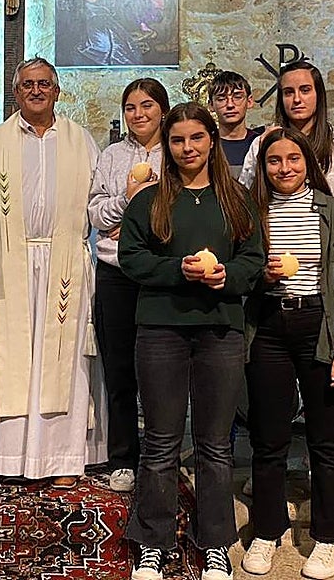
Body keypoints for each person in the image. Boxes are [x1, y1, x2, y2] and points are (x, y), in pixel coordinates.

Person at [118, 103, 265, 580]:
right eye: (178, 140)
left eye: (196, 139)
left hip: (219, 329)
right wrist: (175, 271)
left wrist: (229, 277)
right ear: (168, 145)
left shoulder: (237, 199)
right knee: (160, 441)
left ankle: (215, 541)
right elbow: (131, 258)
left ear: (211, 141)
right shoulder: (149, 200)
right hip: (161, 329)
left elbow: (253, 258)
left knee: (214, 444)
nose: (187, 148)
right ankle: (152, 543)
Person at [241, 128, 334, 580]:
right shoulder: (253, 213)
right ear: (264, 167)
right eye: (275, 161)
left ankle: (330, 538)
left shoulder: (331, 212)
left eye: (294, 159)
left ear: (309, 163)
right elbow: (240, 276)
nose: (285, 168)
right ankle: (267, 530)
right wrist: (261, 277)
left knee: (326, 440)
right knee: (268, 438)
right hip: (269, 326)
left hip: (320, 326)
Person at [0, 58, 107, 484]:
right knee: (13, 357)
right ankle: (12, 457)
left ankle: (61, 460)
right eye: (27, 85)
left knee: (66, 363)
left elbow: (98, 201)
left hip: (66, 265)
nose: (35, 91)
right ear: (15, 93)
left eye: (44, 84)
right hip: (11, 262)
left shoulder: (80, 141)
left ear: (57, 91)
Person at [86, 78, 170, 494]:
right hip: (115, 274)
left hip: (157, 274)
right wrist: (128, 199)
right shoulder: (112, 155)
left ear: (163, 109)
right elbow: (97, 212)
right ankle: (123, 457)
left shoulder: (175, 152)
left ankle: (160, 455)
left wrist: (135, 226)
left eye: (147, 106)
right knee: (118, 370)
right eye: (131, 107)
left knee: (159, 372)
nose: (138, 114)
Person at [237, 60, 334, 235]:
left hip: (329, 246)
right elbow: (243, 199)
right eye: (288, 92)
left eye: (305, 90)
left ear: (318, 94)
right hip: (275, 244)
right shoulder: (264, 142)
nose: (297, 99)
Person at [209, 71, 263, 179]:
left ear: (249, 101)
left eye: (237, 97)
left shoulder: (260, 143)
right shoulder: (207, 145)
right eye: (221, 99)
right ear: (211, 105)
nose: (230, 105)